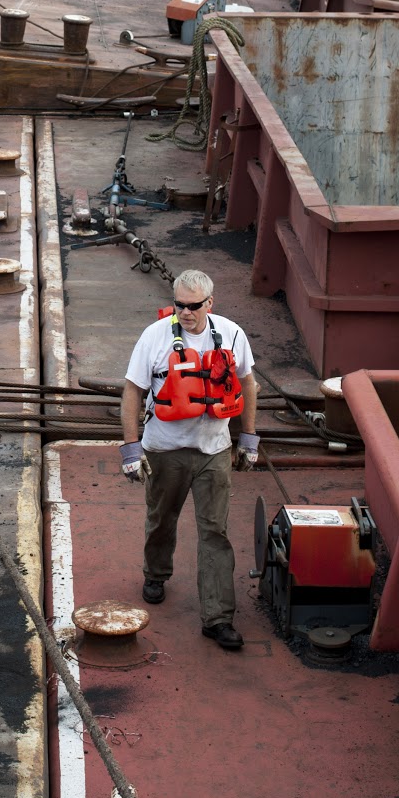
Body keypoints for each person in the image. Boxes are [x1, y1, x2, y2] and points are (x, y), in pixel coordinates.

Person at [118, 269, 259, 652]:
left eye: (193, 306)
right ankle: (156, 573)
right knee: (162, 519)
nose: (185, 312)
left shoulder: (232, 334)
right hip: (164, 450)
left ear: (209, 303)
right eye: (179, 304)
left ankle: (218, 618)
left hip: (214, 451)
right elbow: (133, 391)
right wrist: (131, 449)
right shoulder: (154, 336)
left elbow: (247, 383)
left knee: (215, 532)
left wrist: (248, 439)